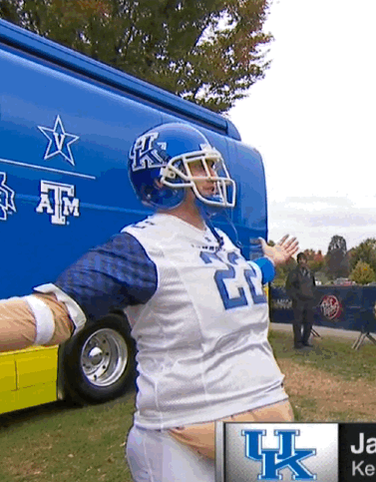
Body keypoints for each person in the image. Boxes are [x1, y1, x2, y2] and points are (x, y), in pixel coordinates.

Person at [0, 123, 299, 482]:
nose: (213, 176)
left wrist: (271, 262)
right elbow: (57, 311)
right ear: (162, 179)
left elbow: (238, 279)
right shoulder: (143, 248)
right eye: (200, 166)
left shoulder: (221, 240)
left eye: (213, 165)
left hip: (260, 424)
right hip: (187, 433)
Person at [286, 252, 317, 349]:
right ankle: (298, 343)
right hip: (298, 301)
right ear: (298, 261)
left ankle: (305, 340)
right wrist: (295, 298)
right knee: (298, 323)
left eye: (304, 259)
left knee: (309, 322)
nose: (302, 261)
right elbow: (289, 287)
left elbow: (313, 285)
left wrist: (313, 296)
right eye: (300, 260)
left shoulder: (310, 273)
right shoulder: (294, 273)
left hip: (309, 301)